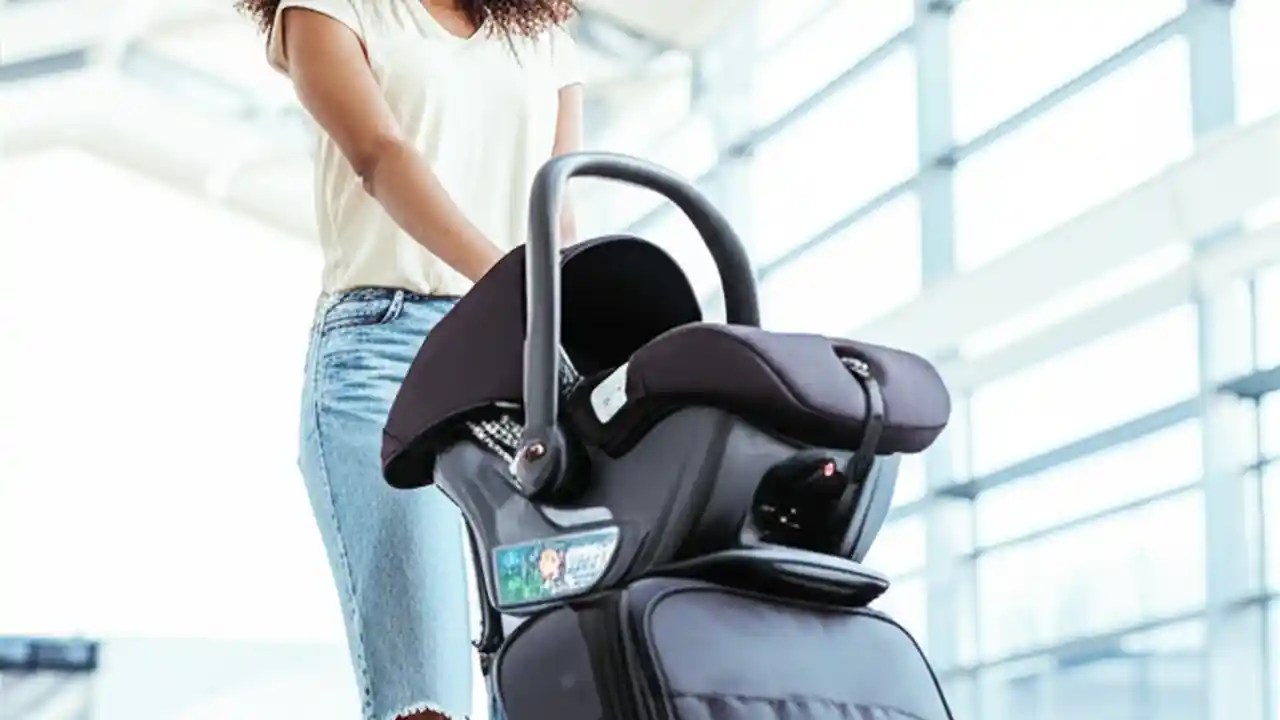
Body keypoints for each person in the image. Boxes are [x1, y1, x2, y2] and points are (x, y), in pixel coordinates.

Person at [237, 0, 583, 718]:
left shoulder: (544, 33)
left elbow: (559, 214)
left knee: (548, 679)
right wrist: (512, 287)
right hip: (385, 358)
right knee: (425, 697)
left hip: (522, 368)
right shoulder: (328, 9)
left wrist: (569, 336)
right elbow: (381, 155)